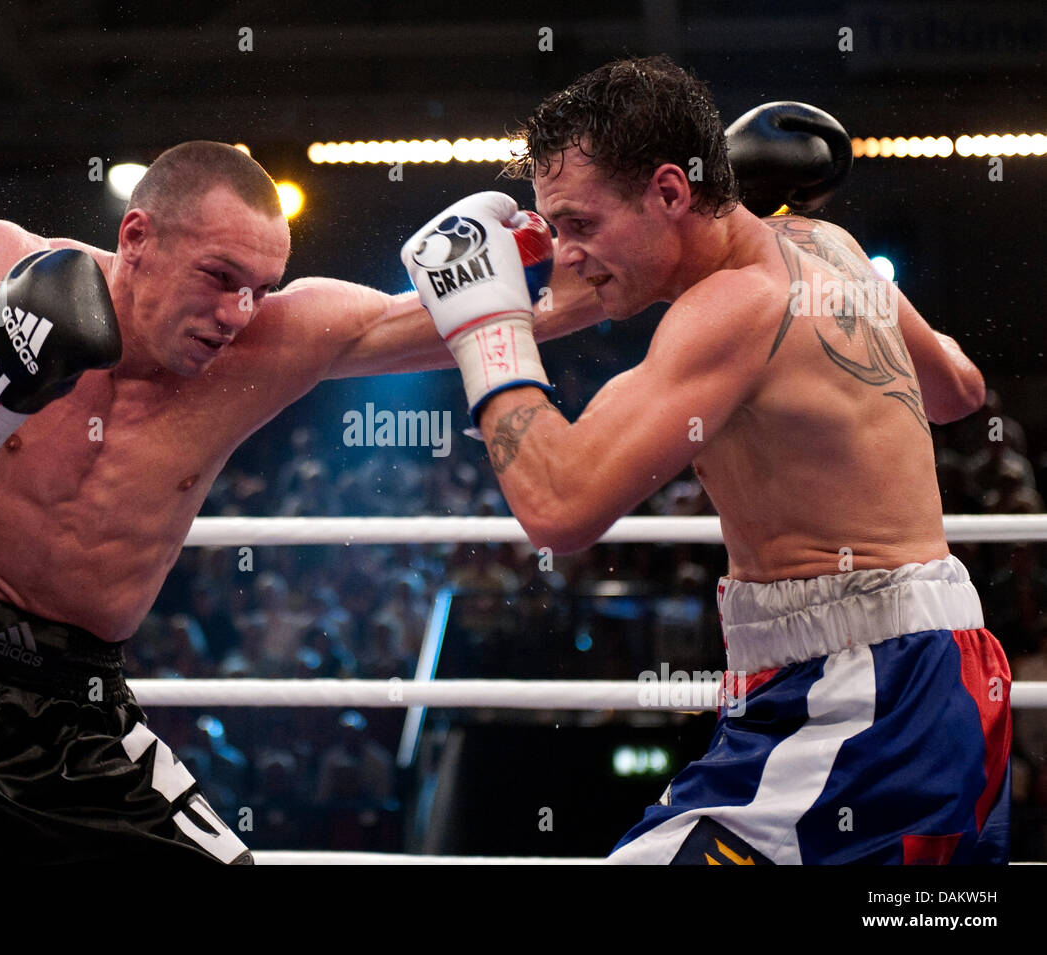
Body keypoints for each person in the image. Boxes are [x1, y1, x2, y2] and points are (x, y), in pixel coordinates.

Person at [0, 141, 607, 864]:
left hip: (65, 706)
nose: (240, 311)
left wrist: (591, 253)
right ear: (137, 237)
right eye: (221, 276)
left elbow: (518, 312)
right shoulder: (2, 265)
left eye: (262, 285)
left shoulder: (280, 337)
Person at [401, 57, 1010, 864]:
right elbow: (958, 389)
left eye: (580, 224)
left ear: (668, 193)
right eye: (557, 229)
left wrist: (487, 328)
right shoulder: (831, 246)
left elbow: (560, 505)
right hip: (917, 677)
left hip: (867, 698)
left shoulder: (730, 308)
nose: (568, 254)